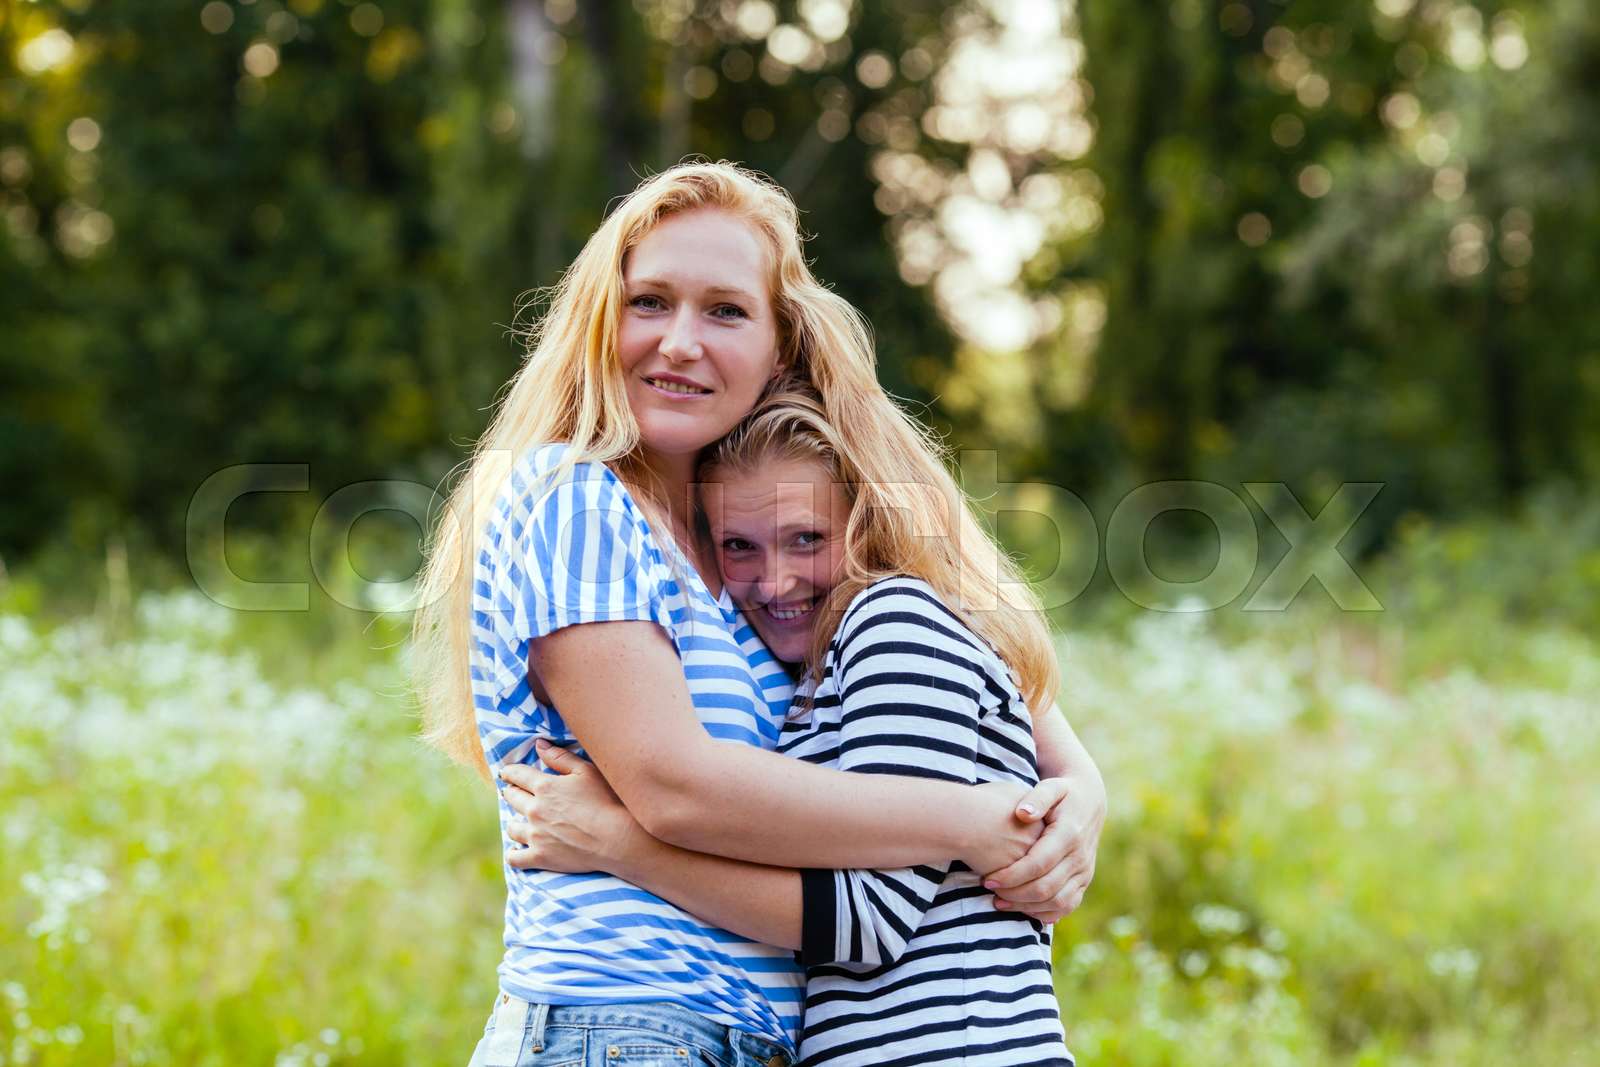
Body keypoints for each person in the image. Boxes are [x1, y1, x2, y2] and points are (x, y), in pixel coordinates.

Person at [412, 160, 1104, 1066]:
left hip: (759, 1039)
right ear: (599, 322)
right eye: (649, 301)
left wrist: (1083, 793)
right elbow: (676, 787)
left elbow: (995, 678)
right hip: (621, 1025)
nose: (679, 342)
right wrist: (972, 819)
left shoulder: (752, 553)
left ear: (780, 347)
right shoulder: (575, 500)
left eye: (725, 310)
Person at [501, 383, 1079, 1065]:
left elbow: (868, 919)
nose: (774, 582)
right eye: (740, 546)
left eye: (806, 538)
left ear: (864, 523)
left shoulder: (896, 622)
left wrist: (620, 845)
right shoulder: (821, 666)